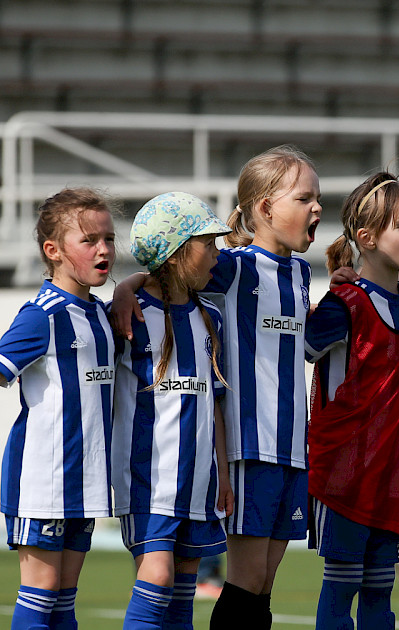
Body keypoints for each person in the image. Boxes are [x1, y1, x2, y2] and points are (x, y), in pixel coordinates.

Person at [114, 146, 322, 628]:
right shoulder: (234, 266)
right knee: (247, 580)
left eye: (318, 198)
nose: (317, 208)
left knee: (265, 583)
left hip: (293, 448)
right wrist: (129, 285)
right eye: (304, 198)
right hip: (249, 447)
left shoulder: (302, 272)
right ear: (265, 207)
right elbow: (170, 268)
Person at [305, 172, 399, 629]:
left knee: (380, 590)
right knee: (341, 588)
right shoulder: (344, 304)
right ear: (367, 238)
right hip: (344, 475)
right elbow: (294, 346)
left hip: (394, 474)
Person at [113, 192, 235, 629]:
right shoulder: (128, 315)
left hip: (199, 481)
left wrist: (222, 473)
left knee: (183, 594)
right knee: (157, 577)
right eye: (209, 244)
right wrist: (125, 287)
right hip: (148, 481)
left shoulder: (210, 317)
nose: (217, 255)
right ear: (178, 251)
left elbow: (214, 404)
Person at [1, 189, 116, 630]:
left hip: (85, 480)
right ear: (53, 251)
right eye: (89, 240)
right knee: (41, 592)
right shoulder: (42, 315)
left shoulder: (102, 314)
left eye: (108, 238)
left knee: (65, 601)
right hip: (43, 480)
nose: (104, 249)